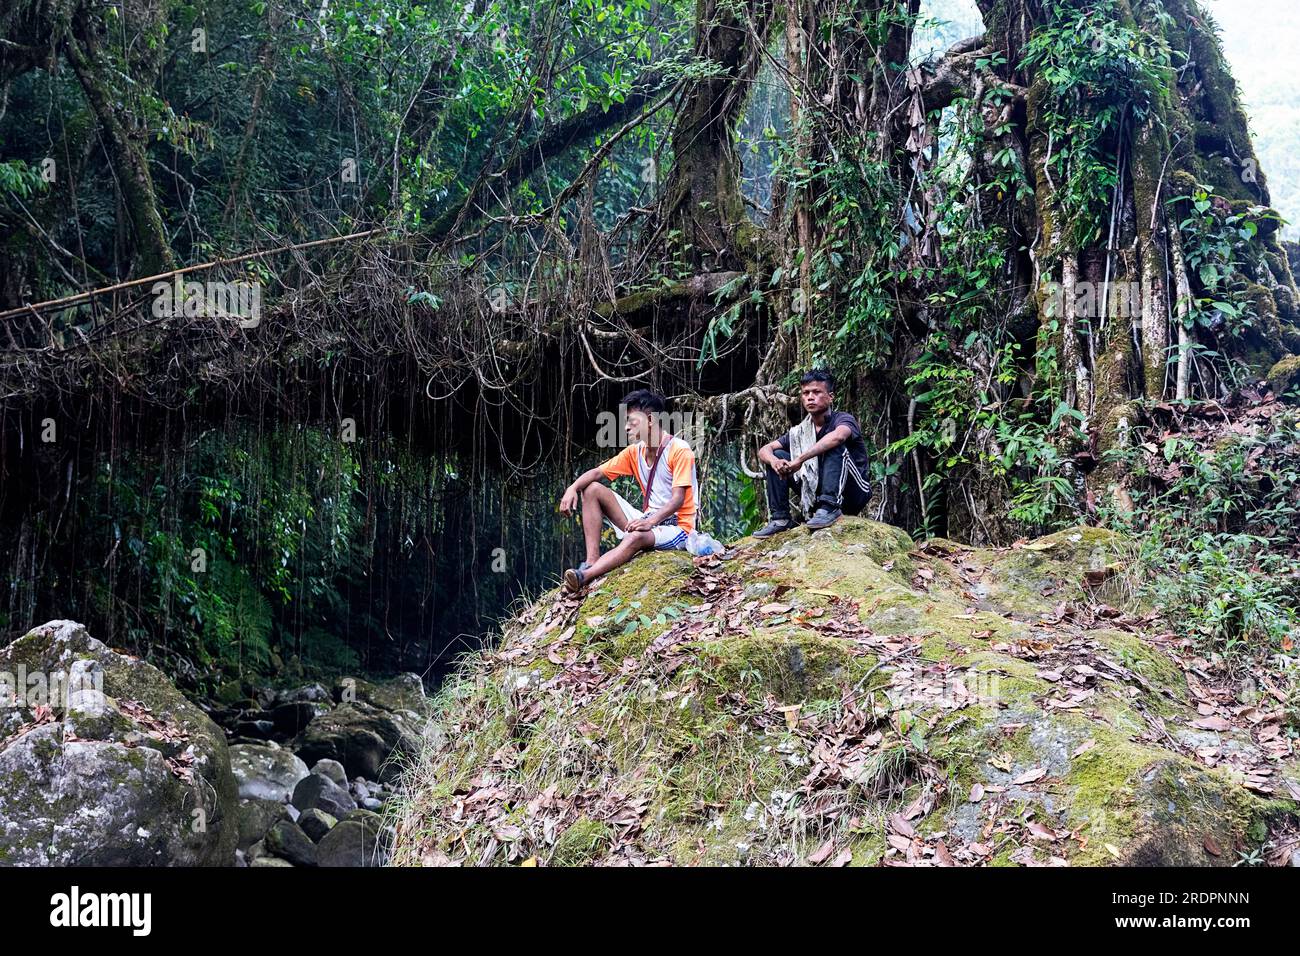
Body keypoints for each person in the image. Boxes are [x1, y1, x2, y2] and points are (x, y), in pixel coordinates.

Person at [558, 389, 699, 592]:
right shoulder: (635, 452)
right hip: (648, 520)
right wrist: (572, 488)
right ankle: (591, 561)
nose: (625, 427)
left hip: (678, 527)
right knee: (591, 490)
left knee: (636, 537)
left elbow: (678, 499)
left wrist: (649, 522)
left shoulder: (679, 450)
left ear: (650, 420)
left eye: (631, 421)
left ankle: (585, 576)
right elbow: (597, 473)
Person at [753, 369, 871, 536]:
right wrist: (775, 462)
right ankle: (780, 519)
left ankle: (830, 507)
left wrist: (799, 460)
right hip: (818, 496)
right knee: (778, 455)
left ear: (831, 397)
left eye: (816, 392)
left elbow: (838, 437)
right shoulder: (800, 431)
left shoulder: (843, 419)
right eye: (806, 393)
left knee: (833, 444)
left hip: (853, 492)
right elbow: (765, 449)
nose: (810, 397)